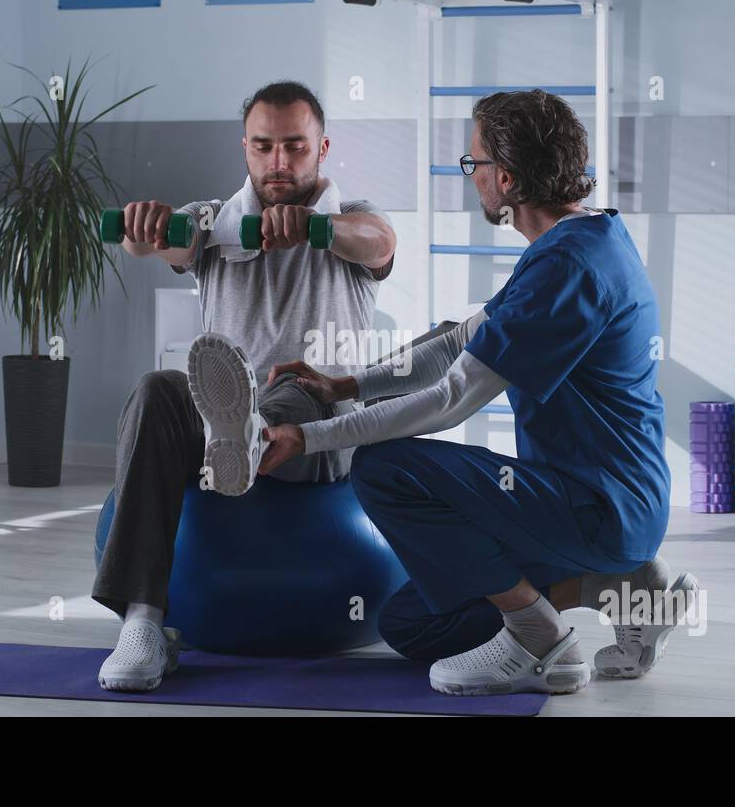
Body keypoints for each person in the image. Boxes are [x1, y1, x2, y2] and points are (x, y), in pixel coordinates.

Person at [253, 89, 699, 697]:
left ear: (507, 178)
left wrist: (309, 436)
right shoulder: (583, 237)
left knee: (384, 467)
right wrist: (346, 384)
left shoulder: (565, 270)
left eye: (474, 165)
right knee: (414, 625)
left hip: (596, 507)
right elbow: (457, 341)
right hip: (603, 503)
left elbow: (451, 398)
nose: (471, 177)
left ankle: (541, 641)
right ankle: (629, 589)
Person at [94, 80, 398, 692]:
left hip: (313, 421)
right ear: (245, 149)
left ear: (323, 148)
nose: (279, 162)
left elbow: (381, 243)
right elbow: (157, 241)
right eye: (263, 147)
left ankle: (251, 436)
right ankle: (146, 622)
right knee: (157, 390)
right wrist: (141, 228)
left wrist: (314, 228)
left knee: (293, 393)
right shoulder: (214, 222)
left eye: (294, 146)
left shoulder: (350, 219)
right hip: (215, 417)